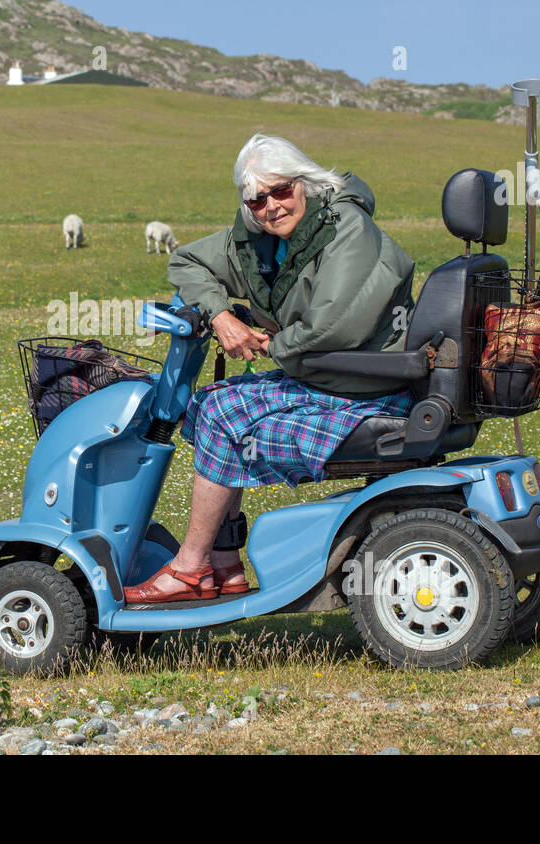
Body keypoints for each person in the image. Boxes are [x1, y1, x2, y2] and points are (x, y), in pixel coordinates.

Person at [123, 134, 418, 604]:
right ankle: (224, 565)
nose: (271, 207)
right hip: (327, 375)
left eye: (281, 191)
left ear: (304, 182)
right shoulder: (263, 240)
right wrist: (220, 316)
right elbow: (187, 260)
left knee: (220, 413)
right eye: (256, 199)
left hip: (364, 385)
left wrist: (266, 343)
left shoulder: (347, 229)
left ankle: (189, 568)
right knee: (205, 405)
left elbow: (333, 325)